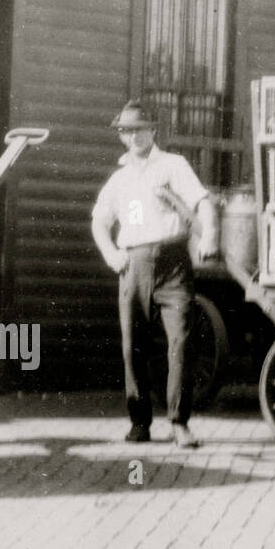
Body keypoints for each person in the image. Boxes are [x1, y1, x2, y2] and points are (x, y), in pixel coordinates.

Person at [91, 101, 218, 448]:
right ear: (120, 135)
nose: (134, 136)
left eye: (140, 129)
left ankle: (179, 422)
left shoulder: (173, 165)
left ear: (154, 130)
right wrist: (112, 255)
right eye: (127, 131)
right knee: (134, 347)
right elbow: (99, 221)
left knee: (181, 343)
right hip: (133, 265)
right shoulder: (119, 179)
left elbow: (202, 202)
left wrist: (209, 236)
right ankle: (139, 423)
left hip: (174, 264)